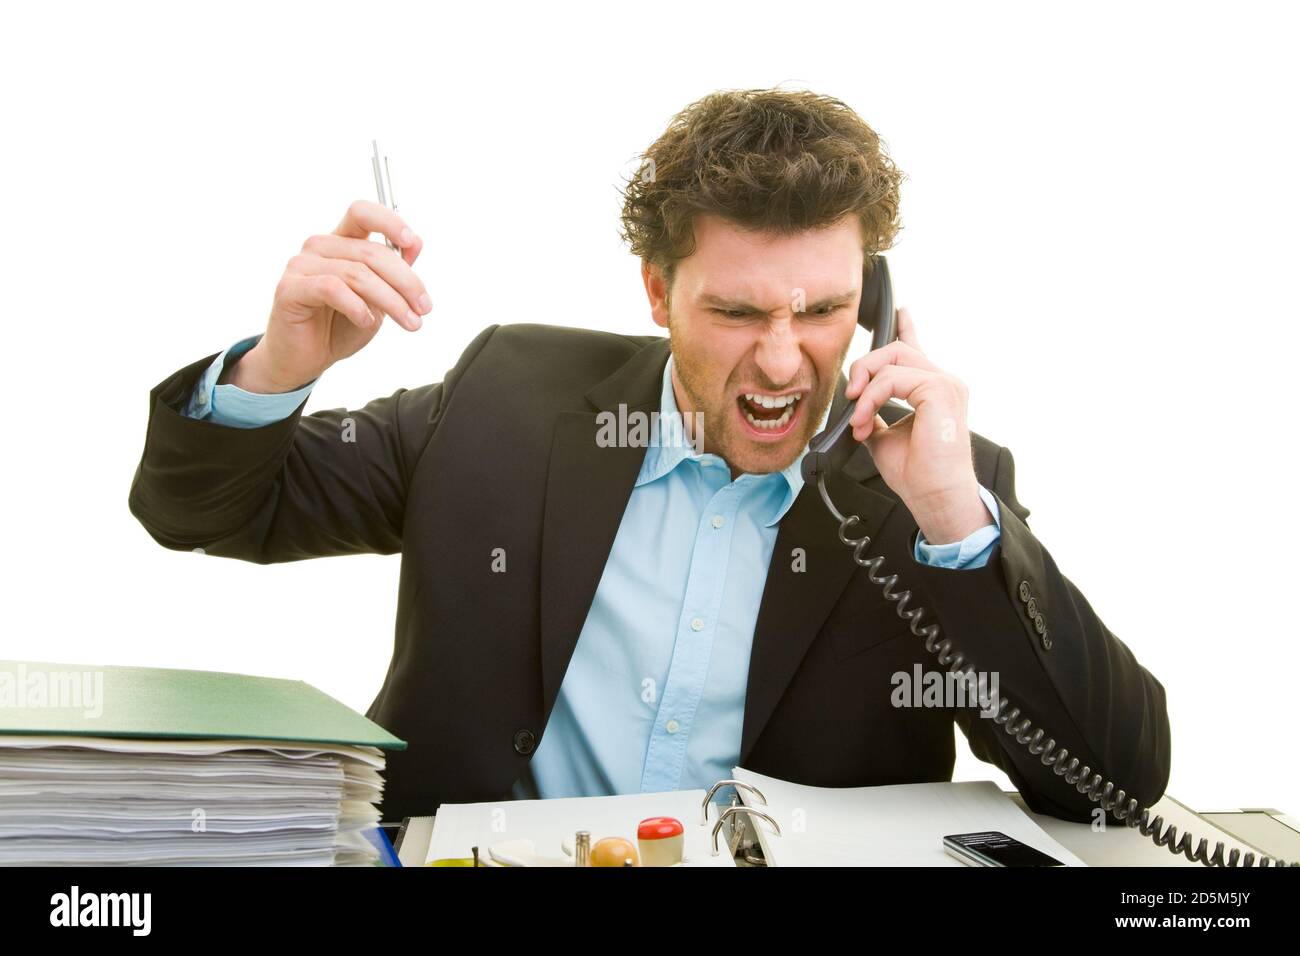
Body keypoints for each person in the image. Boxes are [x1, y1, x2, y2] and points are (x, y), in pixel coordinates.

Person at [129, 88, 1171, 824]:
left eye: (822, 309)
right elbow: (206, 511)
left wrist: (950, 515)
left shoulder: (933, 481)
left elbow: (1113, 782)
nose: (781, 355)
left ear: (873, 302)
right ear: (656, 292)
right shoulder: (509, 394)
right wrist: (279, 361)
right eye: (735, 309)